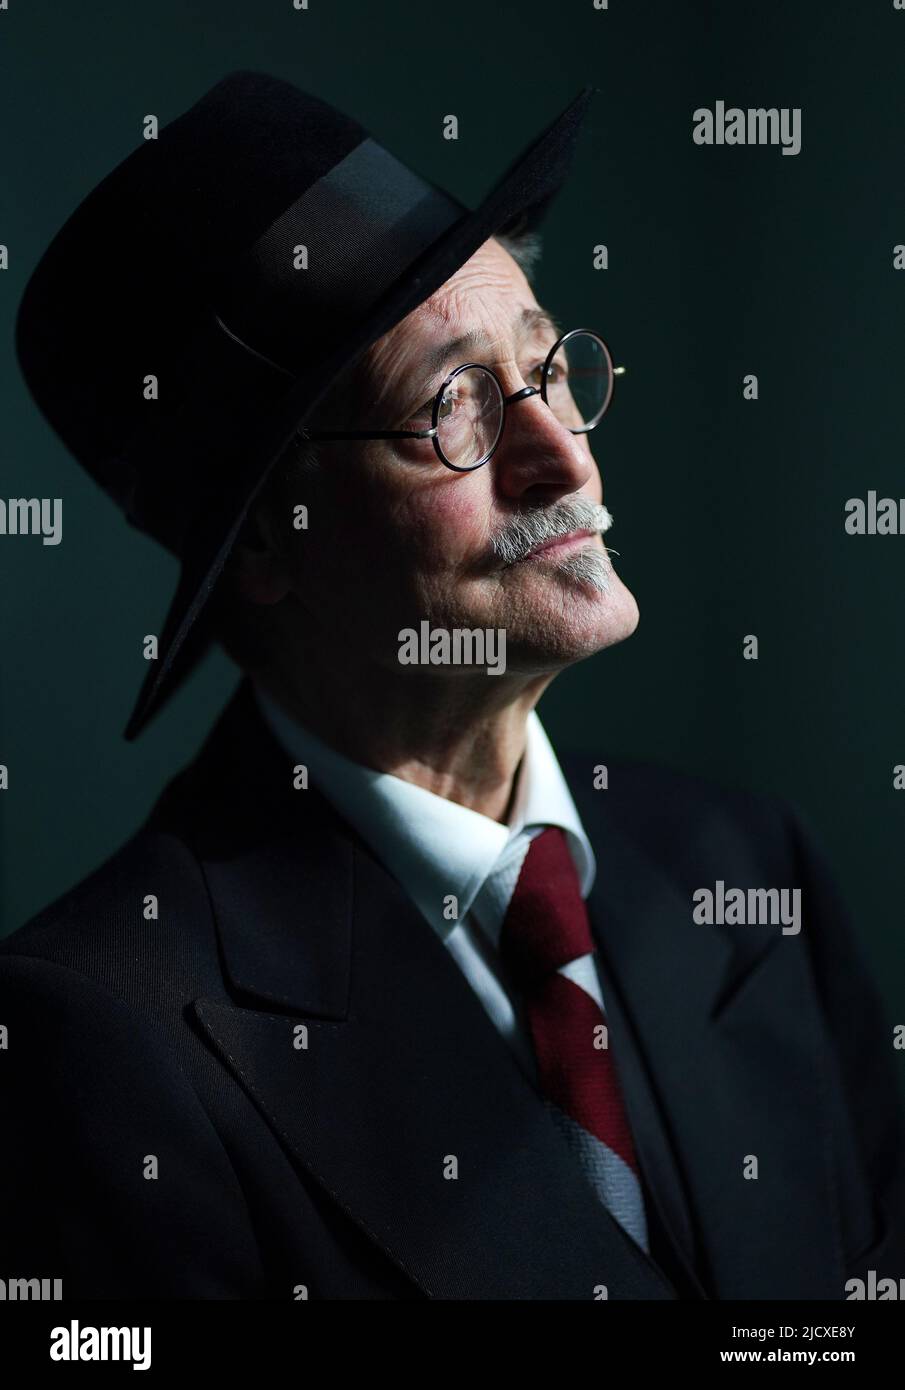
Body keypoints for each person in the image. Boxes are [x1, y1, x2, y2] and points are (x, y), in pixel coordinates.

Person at [2, 70, 903, 1301]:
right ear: (267, 539)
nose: (561, 452)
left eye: (547, 368)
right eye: (455, 409)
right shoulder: (108, 1031)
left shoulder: (744, 865)